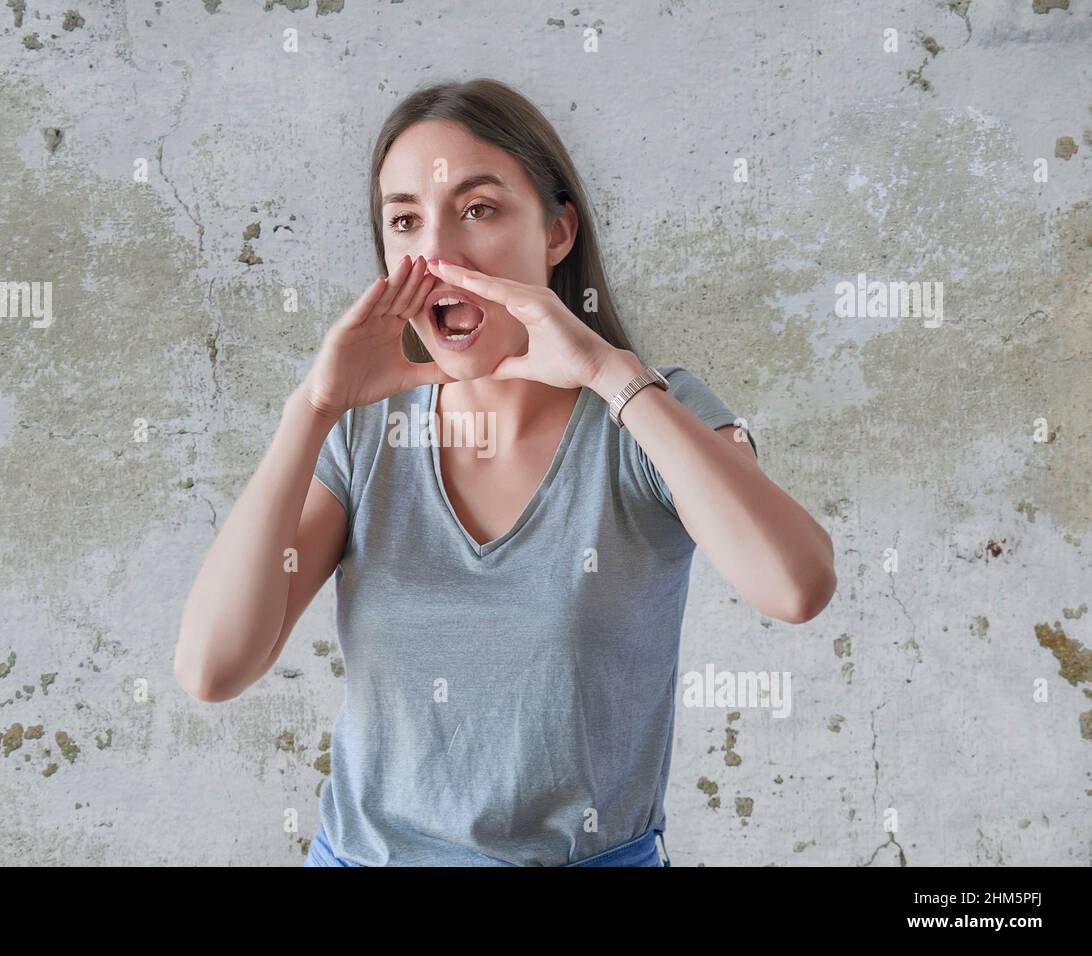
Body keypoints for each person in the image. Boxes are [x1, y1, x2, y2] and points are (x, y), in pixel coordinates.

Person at [175, 78, 836, 867]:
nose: (441, 253)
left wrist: (608, 373)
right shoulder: (363, 436)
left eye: (478, 210)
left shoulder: (652, 417)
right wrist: (310, 411)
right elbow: (212, 669)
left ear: (558, 234)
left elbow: (796, 586)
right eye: (406, 220)